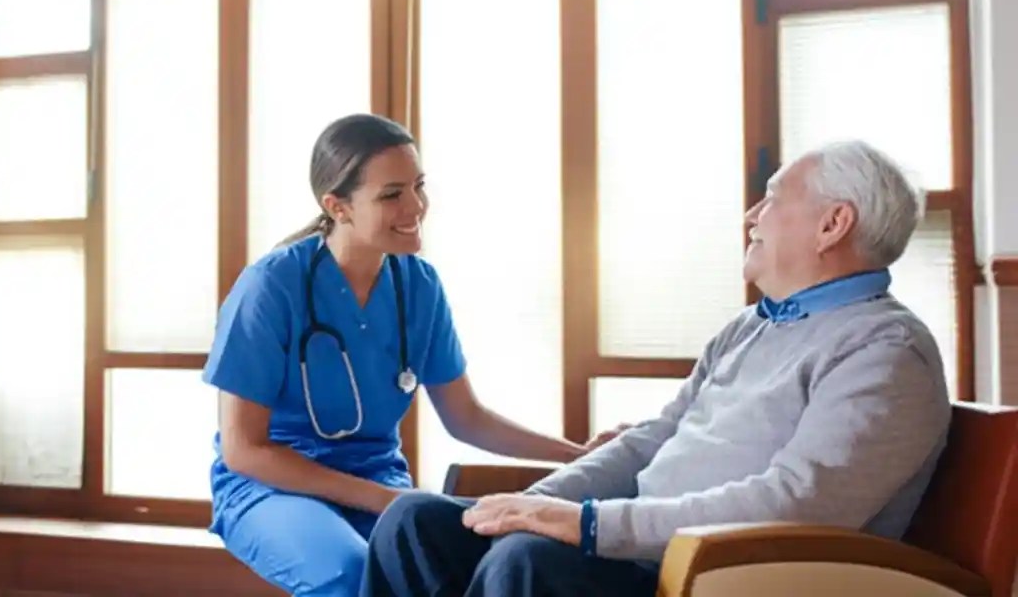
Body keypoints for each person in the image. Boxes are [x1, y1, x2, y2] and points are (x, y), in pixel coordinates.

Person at [362, 140, 952, 597]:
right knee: (415, 521)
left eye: (773, 199)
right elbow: (653, 441)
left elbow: (795, 503)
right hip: (640, 551)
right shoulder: (752, 326)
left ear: (833, 225)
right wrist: (531, 505)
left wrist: (588, 526)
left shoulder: (886, 351)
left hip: (717, 576)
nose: (753, 215)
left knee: (528, 563)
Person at [202, 113, 611, 597]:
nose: (416, 206)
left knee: (450, 568)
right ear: (338, 206)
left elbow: (466, 417)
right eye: (391, 194)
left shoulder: (418, 286)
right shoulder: (271, 287)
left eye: (418, 186)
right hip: (274, 488)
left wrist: (577, 453)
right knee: (353, 574)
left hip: (379, 481)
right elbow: (244, 450)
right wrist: (387, 498)